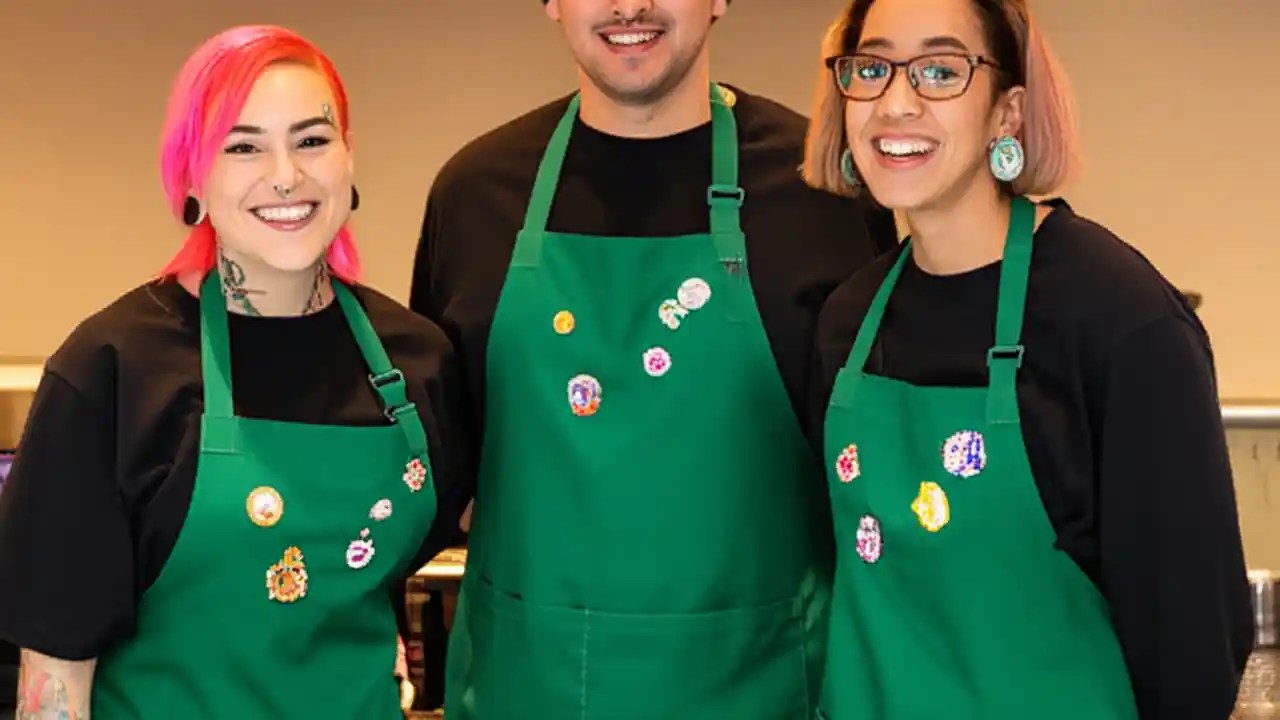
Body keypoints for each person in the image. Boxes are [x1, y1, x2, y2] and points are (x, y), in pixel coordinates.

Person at [408, 0, 898, 716]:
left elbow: (877, 481)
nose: (628, 5)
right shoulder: (474, 195)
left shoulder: (822, 194)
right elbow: (438, 468)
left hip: (759, 687)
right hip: (529, 684)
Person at [0, 25, 472, 719]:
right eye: (243, 145)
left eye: (312, 140)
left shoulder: (418, 360)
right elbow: (55, 674)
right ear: (192, 173)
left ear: (349, 158)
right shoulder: (114, 371)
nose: (285, 174)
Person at [801, 0, 1255, 717]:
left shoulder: (1118, 318)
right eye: (872, 69)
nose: (895, 102)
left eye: (941, 71)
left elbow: (1193, 647)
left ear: (1007, 112)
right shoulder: (847, 320)